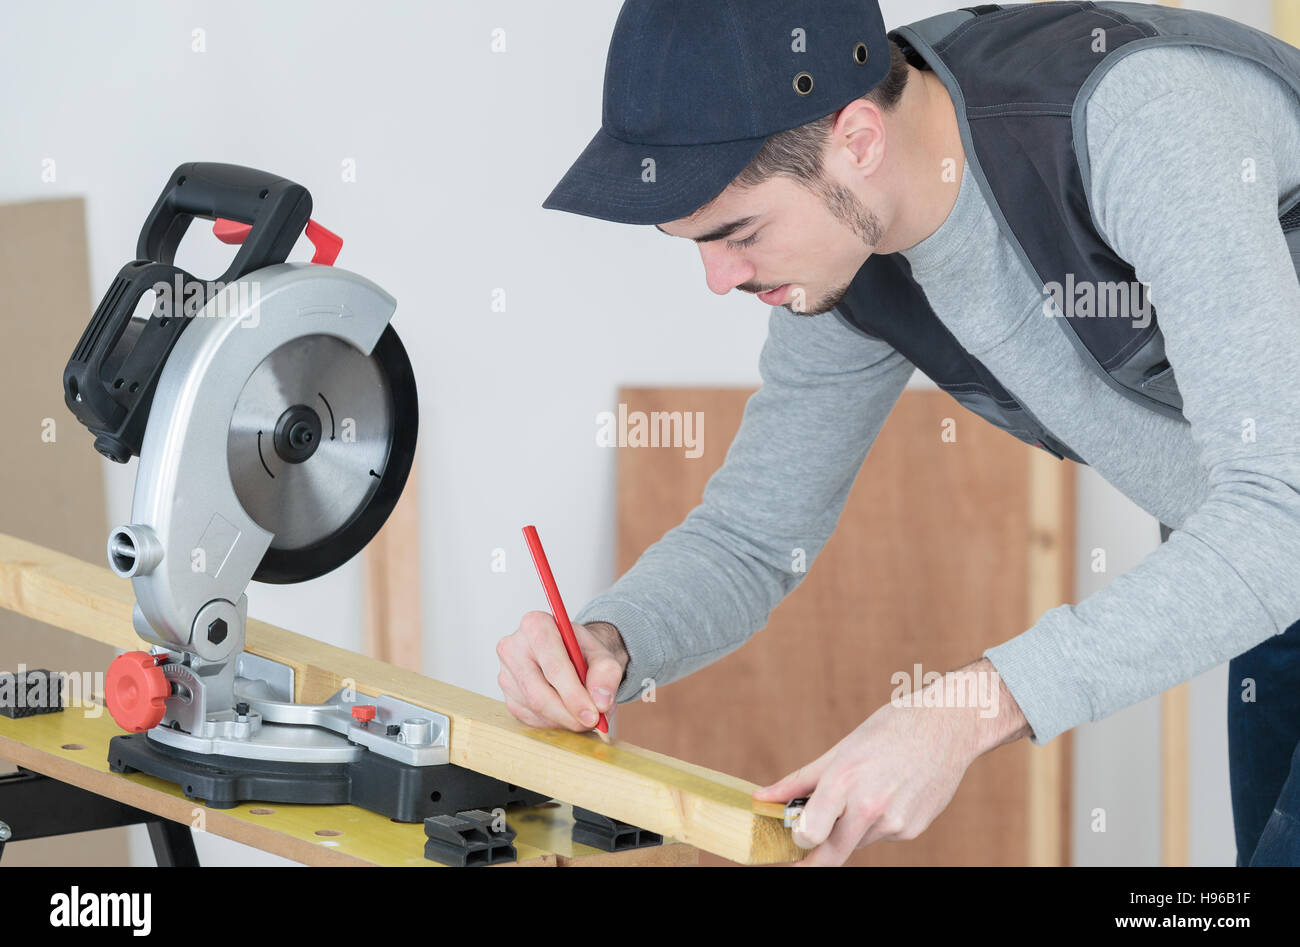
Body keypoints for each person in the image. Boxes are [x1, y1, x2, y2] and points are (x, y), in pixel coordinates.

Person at [496, 0, 1300, 865]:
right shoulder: (847, 260)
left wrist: (962, 714)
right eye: (692, 243)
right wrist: (613, 641)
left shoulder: (1137, 120)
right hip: (1269, 585)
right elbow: (755, 537)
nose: (717, 278)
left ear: (858, 139)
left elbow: (1282, 508)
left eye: (739, 233)